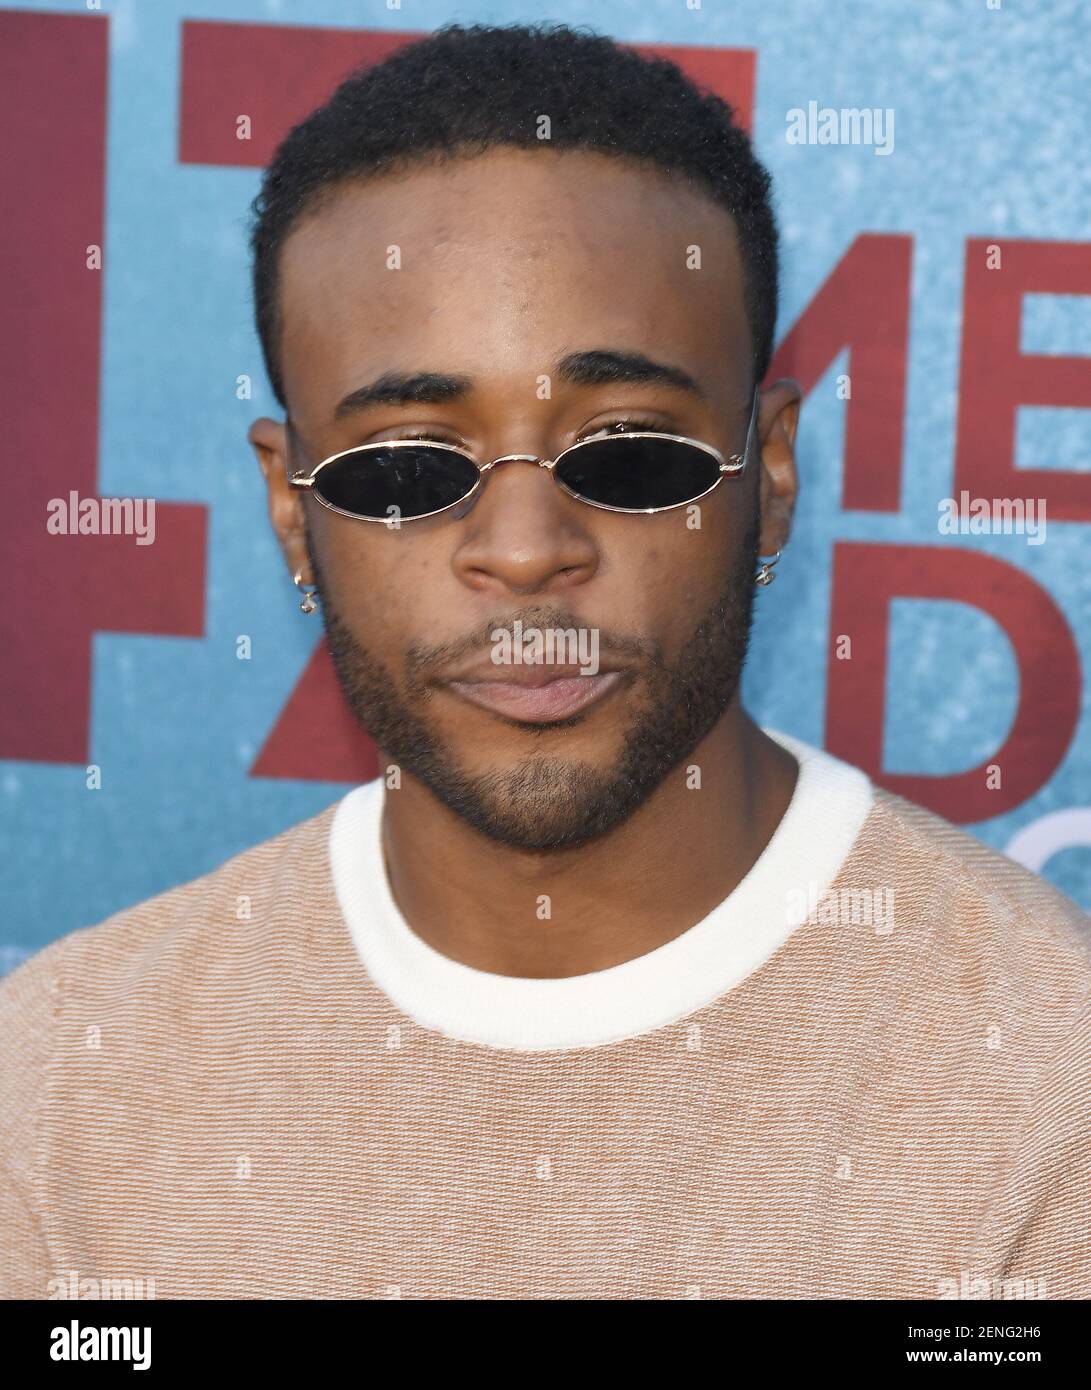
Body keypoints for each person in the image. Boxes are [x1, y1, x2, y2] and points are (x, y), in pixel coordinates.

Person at [2, 22, 1087, 1301]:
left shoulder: (1044, 1092)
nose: (523, 551)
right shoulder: (61, 1090)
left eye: (629, 452)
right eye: (405, 466)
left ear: (771, 474)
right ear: (292, 512)